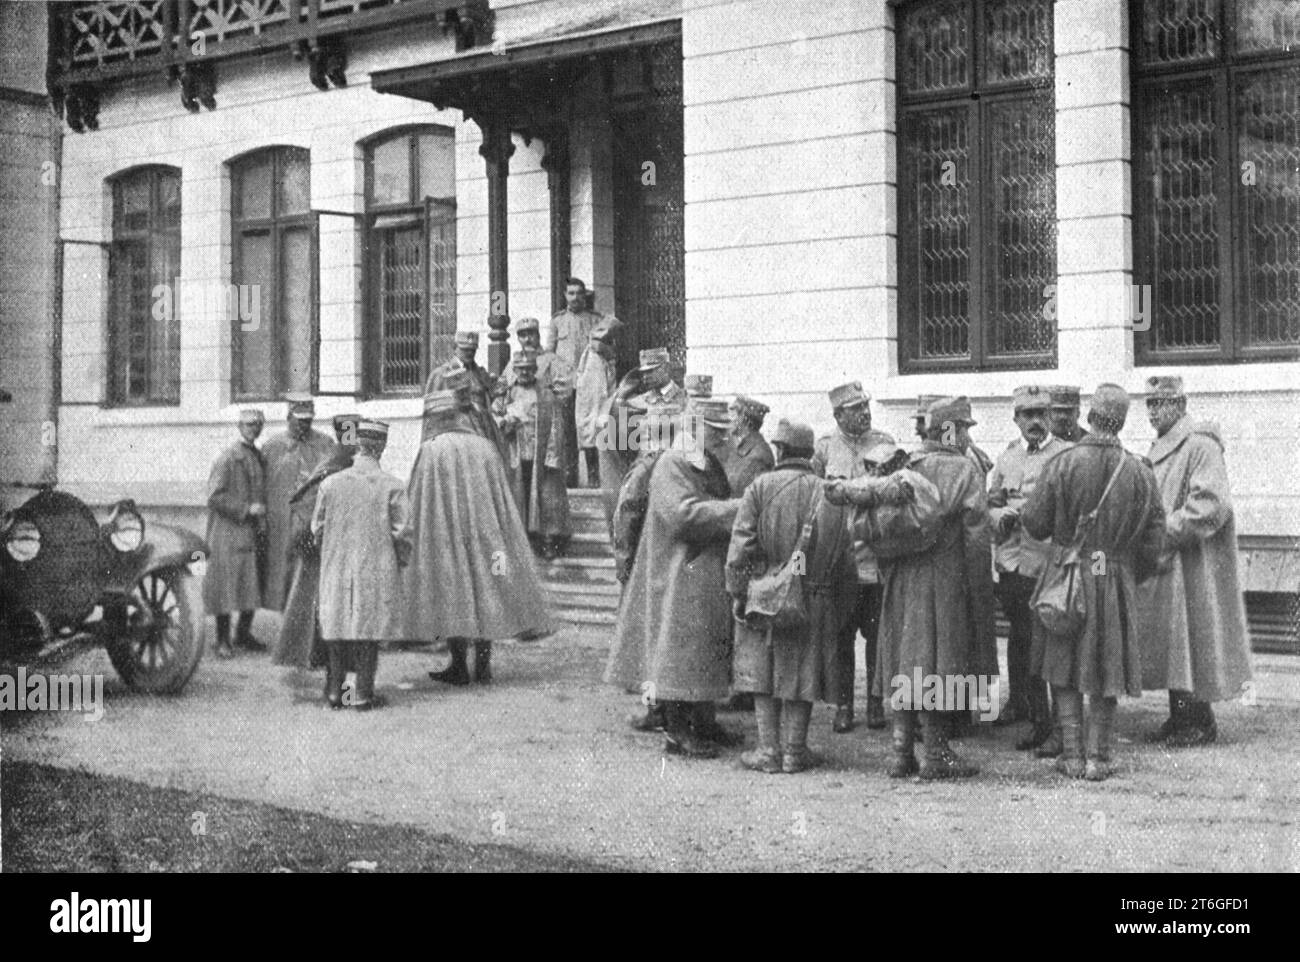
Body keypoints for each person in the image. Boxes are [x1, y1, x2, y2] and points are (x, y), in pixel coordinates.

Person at [1021, 385, 1166, 780]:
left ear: (1089, 416)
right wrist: (1133, 573)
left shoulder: (1064, 463)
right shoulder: (1138, 469)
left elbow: (1034, 523)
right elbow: (1156, 536)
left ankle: (1071, 755)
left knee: (1064, 663)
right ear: (1121, 421)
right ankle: (1099, 759)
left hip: (1070, 573)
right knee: (1107, 664)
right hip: (1111, 573)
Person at [873, 396, 998, 778]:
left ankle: (900, 752)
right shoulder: (964, 471)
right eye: (963, 429)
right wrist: (979, 589)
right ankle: (937, 753)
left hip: (902, 579)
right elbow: (976, 538)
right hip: (947, 579)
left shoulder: (906, 465)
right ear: (951, 429)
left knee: (906, 659)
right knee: (940, 662)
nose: (964, 436)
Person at [726, 419, 858, 773]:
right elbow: (847, 557)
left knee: (763, 671)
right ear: (810, 454)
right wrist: (839, 606)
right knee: (802, 673)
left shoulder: (759, 487)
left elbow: (740, 549)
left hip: (765, 592)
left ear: (780, 450)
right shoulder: (831, 494)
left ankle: (768, 750)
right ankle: (795, 752)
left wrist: (739, 594)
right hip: (815, 595)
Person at [612, 398, 741, 758]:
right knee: (676, 653)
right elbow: (683, 515)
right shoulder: (673, 463)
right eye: (717, 433)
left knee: (702, 650)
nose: (724, 441)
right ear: (696, 429)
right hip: (674, 575)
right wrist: (739, 509)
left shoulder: (701, 461)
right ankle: (677, 731)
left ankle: (704, 720)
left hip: (698, 571)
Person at [406, 389, 553, 686]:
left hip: (446, 535)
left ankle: (459, 664)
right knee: (489, 591)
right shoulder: (486, 447)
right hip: (488, 536)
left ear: (437, 418)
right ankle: (483, 666)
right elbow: (502, 495)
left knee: (453, 593)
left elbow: (418, 499)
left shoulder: (432, 449)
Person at [1137, 376, 1253, 747]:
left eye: (1163, 403)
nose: (1155, 410)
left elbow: (1212, 503)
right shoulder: (1164, 446)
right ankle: (1182, 714)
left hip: (1195, 561)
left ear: (1182, 405)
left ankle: (1199, 721)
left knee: (1194, 638)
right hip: (1172, 559)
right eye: (1150, 403)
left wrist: (1167, 530)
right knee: (1175, 642)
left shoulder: (1200, 445)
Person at [987, 386, 1070, 751]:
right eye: (1027, 414)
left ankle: (1052, 723)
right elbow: (989, 505)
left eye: (1041, 413)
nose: (1035, 421)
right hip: (1011, 563)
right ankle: (1021, 704)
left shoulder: (1066, 456)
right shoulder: (1006, 459)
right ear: (1016, 419)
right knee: (1019, 639)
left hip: (1046, 564)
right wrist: (998, 515)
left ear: (1051, 416)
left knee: (1046, 643)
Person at [311, 419, 412, 711]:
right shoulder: (392, 486)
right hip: (376, 565)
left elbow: (317, 528)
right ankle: (363, 693)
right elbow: (403, 532)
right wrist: (399, 561)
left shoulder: (331, 484)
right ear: (381, 448)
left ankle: (336, 692)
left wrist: (330, 552)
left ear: (357, 445)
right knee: (369, 627)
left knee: (338, 623)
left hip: (337, 564)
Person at [812, 380, 895, 733]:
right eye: (855, 408)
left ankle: (875, 704)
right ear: (838, 415)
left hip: (876, 558)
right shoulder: (825, 448)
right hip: (841, 558)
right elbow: (817, 497)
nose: (864, 413)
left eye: (866, 406)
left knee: (877, 638)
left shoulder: (885, 444)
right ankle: (843, 705)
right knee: (841, 637)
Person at [605, 395, 680, 732]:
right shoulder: (680, 461)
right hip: (666, 561)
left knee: (649, 640)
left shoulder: (648, 464)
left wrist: (623, 560)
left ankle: (654, 710)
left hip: (644, 563)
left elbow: (626, 514)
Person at [273, 414, 360, 670]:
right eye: (350, 435)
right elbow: (306, 499)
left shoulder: (347, 461)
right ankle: (311, 655)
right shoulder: (334, 463)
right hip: (319, 546)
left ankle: (324, 655)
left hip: (333, 544)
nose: (353, 441)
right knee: (315, 601)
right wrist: (312, 535)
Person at [261, 394, 335, 615]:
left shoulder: (325, 444)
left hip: (312, 520)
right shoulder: (272, 447)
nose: (305, 423)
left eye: (309, 419)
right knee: (281, 570)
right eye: (300, 419)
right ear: (288, 417)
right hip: (280, 521)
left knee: (310, 571)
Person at [204, 409, 267, 659]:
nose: (254, 428)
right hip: (228, 533)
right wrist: (245, 509)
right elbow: (214, 496)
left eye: (258, 425)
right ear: (239, 426)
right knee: (226, 587)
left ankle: (243, 633)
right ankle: (222, 640)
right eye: (249, 424)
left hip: (250, 532)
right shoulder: (228, 457)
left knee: (250, 584)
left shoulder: (256, 455)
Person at [499, 351, 573, 559]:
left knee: (546, 498)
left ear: (535, 370)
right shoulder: (508, 392)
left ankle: (549, 541)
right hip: (517, 452)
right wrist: (505, 422)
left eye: (528, 369)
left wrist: (552, 454)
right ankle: (521, 542)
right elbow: (495, 415)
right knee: (519, 497)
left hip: (541, 454)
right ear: (514, 370)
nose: (524, 373)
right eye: (520, 369)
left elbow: (556, 425)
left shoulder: (545, 393)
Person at [424, 329, 508, 465]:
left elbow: (488, 400)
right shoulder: (441, 375)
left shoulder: (480, 374)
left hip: (483, 432)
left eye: (473, 350)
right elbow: (432, 418)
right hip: (456, 434)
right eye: (465, 350)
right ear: (454, 348)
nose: (470, 353)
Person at [550, 277, 603, 486]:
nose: (574, 298)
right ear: (565, 295)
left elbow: (606, 350)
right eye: (570, 293)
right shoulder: (557, 321)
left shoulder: (595, 320)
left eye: (579, 293)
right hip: (566, 385)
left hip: (589, 386)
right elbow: (550, 353)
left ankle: (593, 478)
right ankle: (570, 480)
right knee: (568, 433)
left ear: (584, 296)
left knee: (590, 430)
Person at [575, 317, 622, 488]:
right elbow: (594, 391)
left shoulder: (607, 358)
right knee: (592, 432)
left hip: (602, 403)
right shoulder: (593, 358)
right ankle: (593, 475)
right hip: (593, 403)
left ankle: (602, 476)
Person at [726, 395, 775, 496]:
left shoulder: (759, 456)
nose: (728, 420)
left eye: (732, 415)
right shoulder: (742, 448)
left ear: (743, 418)